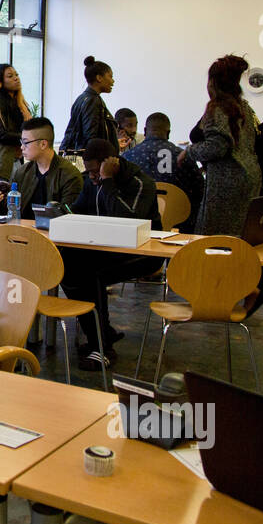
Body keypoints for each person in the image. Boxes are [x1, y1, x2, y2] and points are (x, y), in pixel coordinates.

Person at [63, 138, 164, 363]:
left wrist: (107, 180)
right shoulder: (91, 182)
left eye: (95, 172)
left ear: (112, 163)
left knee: (91, 273)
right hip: (105, 248)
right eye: (88, 171)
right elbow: (77, 210)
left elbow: (127, 221)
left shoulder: (141, 183)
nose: (91, 177)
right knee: (67, 266)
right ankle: (101, 335)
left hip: (142, 252)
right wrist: (60, 212)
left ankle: (102, 347)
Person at [181, 55, 261, 237]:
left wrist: (189, 152)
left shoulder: (218, 108)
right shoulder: (244, 107)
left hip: (227, 183)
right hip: (248, 176)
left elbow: (216, 147)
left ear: (214, 82)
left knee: (216, 238)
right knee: (239, 235)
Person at [123, 112, 204, 229]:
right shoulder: (183, 156)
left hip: (139, 223)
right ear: (168, 133)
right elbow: (200, 189)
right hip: (179, 224)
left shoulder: (128, 157)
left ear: (145, 131)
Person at [11, 117, 86, 217]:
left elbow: (67, 215)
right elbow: (11, 209)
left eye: (26, 143)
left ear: (43, 144)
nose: (22, 147)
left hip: (54, 226)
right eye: (21, 142)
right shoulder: (22, 173)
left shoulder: (69, 175)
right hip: (23, 226)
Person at [60, 56, 118, 152]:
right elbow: (90, 136)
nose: (113, 81)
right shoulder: (93, 100)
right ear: (99, 78)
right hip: (89, 157)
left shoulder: (81, 98)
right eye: (110, 77)